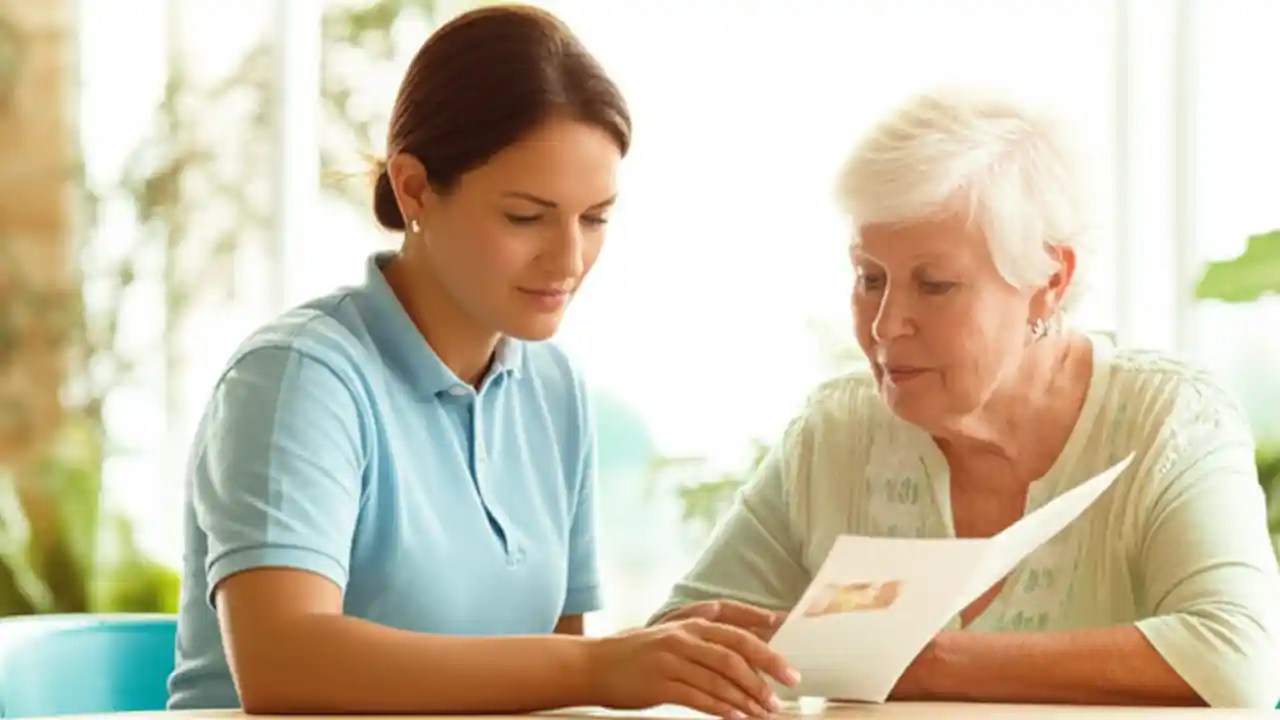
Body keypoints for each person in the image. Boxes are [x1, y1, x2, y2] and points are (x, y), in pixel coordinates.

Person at [166, 5, 798, 715]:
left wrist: (654, 664)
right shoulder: (299, 378)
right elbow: (283, 665)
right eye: (526, 216)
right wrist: (596, 668)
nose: (570, 259)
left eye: (595, 219)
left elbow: (550, 677)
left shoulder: (553, 388)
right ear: (414, 189)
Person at [652, 88, 1280, 709]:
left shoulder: (1167, 421)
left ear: (1047, 281)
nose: (886, 324)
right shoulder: (836, 434)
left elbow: (1239, 656)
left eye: (935, 285)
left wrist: (907, 659)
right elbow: (674, 643)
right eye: (870, 278)